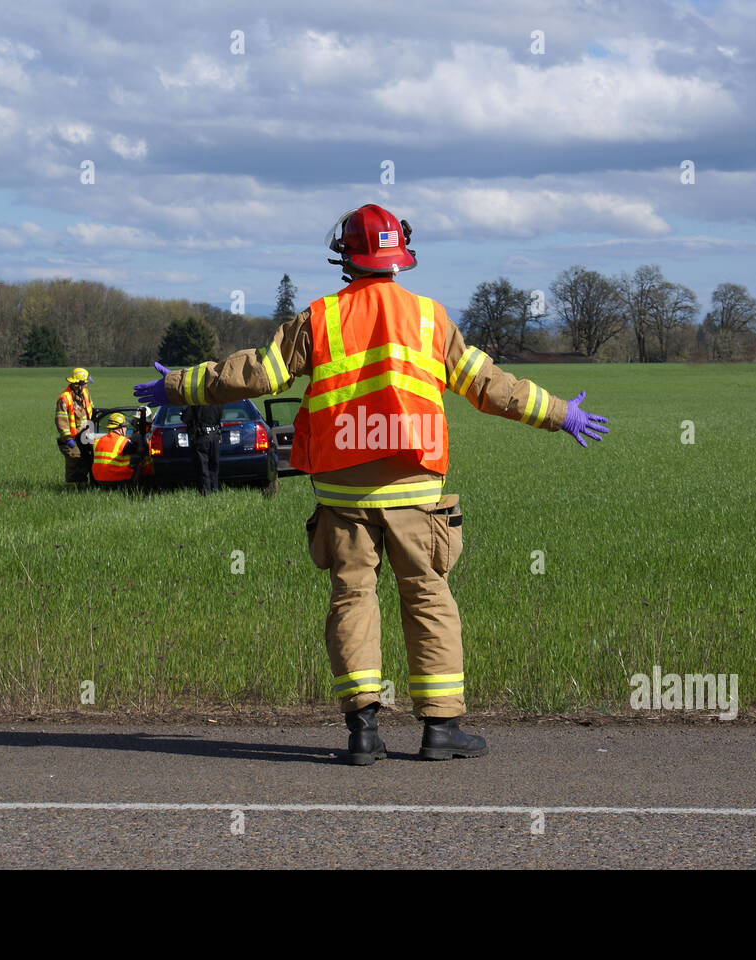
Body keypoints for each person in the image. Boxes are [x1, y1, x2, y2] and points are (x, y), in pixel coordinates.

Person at [134, 204, 609, 764]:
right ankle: (440, 730)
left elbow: (256, 373)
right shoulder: (431, 319)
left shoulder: (320, 319)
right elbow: (489, 385)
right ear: (399, 255)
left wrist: (184, 385)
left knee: (352, 598)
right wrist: (559, 414)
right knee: (428, 597)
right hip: (413, 486)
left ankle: (362, 734)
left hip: (342, 490)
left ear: (346, 254)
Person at [55, 367, 94, 486]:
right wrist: (68, 439)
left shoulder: (85, 394)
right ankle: (74, 490)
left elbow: (92, 411)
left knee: (90, 460)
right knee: (76, 461)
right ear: (79, 384)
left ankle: (89, 485)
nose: (86, 386)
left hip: (86, 435)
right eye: (85, 383)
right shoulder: (64, 399)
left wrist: (93, 428)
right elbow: (61, 421)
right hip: (72, 438)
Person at [91, 412, 147, 487]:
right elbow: (140, 452)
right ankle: (135, 488)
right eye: (125, 426)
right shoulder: (123, 442)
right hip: (116, 480)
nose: (126, 429)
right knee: (140, 462)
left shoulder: (97, 441)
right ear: (121, 427)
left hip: (98, 480)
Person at [182, 402, 223, 494]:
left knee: (202, 466)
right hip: (215, 435)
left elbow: (185, 418)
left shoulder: (195, 401)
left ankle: (206, 493)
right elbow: (220, 416)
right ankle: (214, 491)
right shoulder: (216, 399)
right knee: (214, 465)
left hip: (202, 436)